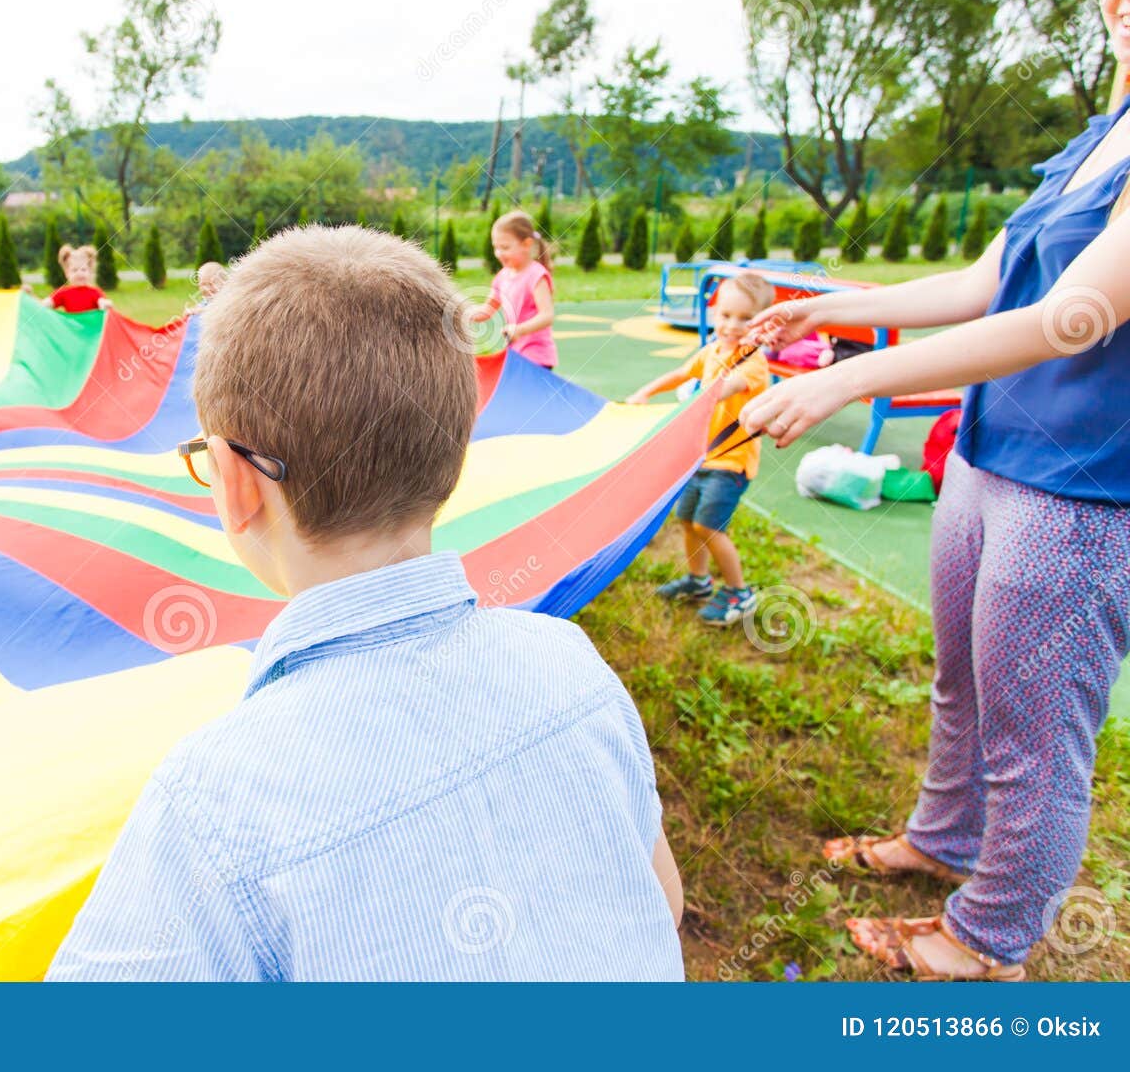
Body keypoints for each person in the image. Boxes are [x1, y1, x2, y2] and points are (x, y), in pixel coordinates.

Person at [46, 226, 683, 981]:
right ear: (456, 448)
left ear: (233, 480)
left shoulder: (210, 804)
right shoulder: (570, 663)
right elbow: (661, 902)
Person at [737, 0, 1130, 980]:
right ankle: (941, 840)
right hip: (988, 455)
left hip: (1083, 492)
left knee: (1033, 735)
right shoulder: (1106, 131)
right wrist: (833, 308)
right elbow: (981, 283)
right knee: (960, 682)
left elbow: (1076, 318)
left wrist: (850, 375)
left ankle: (987, 937)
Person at [626, 272, 774, 625]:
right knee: (688, 521)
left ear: (763, 323)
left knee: (710, 526)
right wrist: (646, 392)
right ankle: (698, 581)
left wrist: (695, 397)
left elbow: (726, 387)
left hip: (731, 463)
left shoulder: (753, 364)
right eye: (725, 315)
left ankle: (740, 593)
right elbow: (681, 373)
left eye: (745, 318)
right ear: (715, 313)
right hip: (699, 458)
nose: (732, 325)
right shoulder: (712, 350)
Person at [486, 209, 557, 369]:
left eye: (505, 247)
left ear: (526, 244)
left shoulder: (536, 275)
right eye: (495, 247)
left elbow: (547, 315)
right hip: (515, 353)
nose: (498, 253)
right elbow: (486, 310)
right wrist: (458, 312)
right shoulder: (502, 276)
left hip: (536, 354)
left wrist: (520, 330)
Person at [49, 245, 112, 313]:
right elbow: (46, 304)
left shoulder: (95, 292)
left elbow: (102, 302)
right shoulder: (63, 293)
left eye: (83, 269)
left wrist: (105, 304)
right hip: (71, 323)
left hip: (90, 323)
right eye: (75, 270)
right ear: (67, 273)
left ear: (90, 272)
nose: (79, 273)